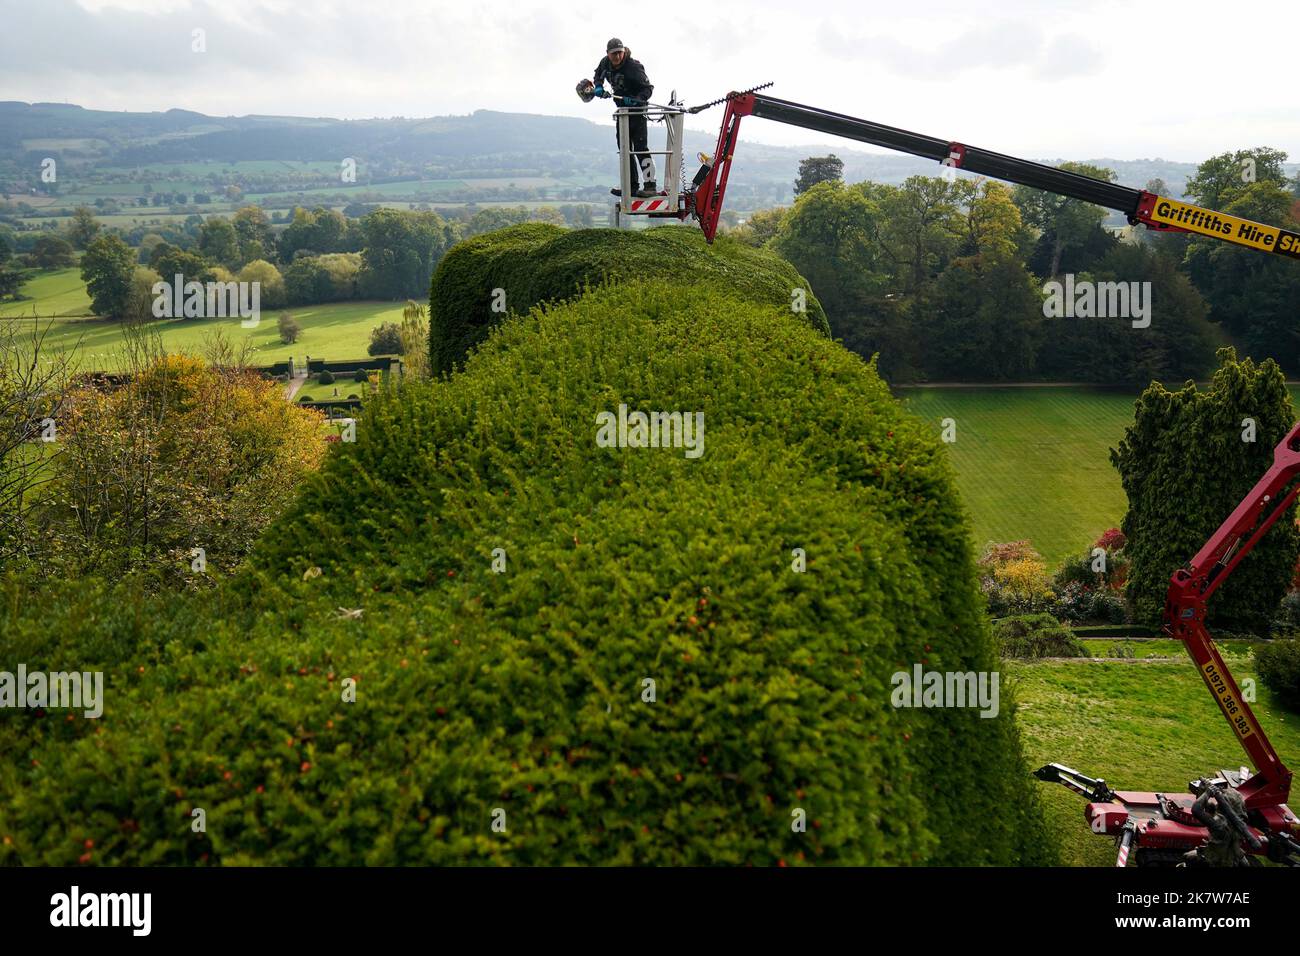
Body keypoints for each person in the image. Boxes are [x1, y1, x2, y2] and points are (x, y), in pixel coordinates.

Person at [591, 38, 657, 198]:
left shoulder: (633, 67)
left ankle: (650, 186)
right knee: (624, 149)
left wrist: (636, 99)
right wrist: (599, 85)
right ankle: (631, 186)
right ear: (608, 54)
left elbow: (648, 89)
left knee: (641, 147)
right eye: (614, 54)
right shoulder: (605, 63)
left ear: (623, 51)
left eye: (619, 53)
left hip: (637, 111)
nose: (617, 57)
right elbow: (597, 74)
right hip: (622, 111)